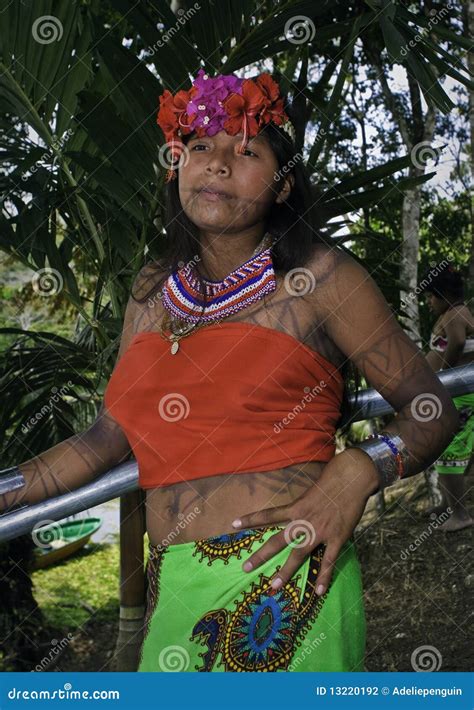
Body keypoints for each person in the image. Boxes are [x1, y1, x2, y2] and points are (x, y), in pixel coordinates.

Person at [0, 70, 460, 672]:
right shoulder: (151, 291)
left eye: (245, 152)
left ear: (283, 184)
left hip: (287, 578)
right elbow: (104, 439)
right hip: (175, 589)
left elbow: (432, 411)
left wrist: (355, 472)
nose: (217, 163)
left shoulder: (321, 281)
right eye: (199, 147)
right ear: (177, 165)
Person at [419, 265, 474, 532]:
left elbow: (458, 343)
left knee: (450, 450)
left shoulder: (457, 314)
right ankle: (449, 505)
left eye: (431, 296)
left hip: (461, 394)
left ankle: (461, 514)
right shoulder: (452, 313)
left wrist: (444, 376)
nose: (428, 302)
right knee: (442, 448)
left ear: (443, 294)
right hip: (454, 393)